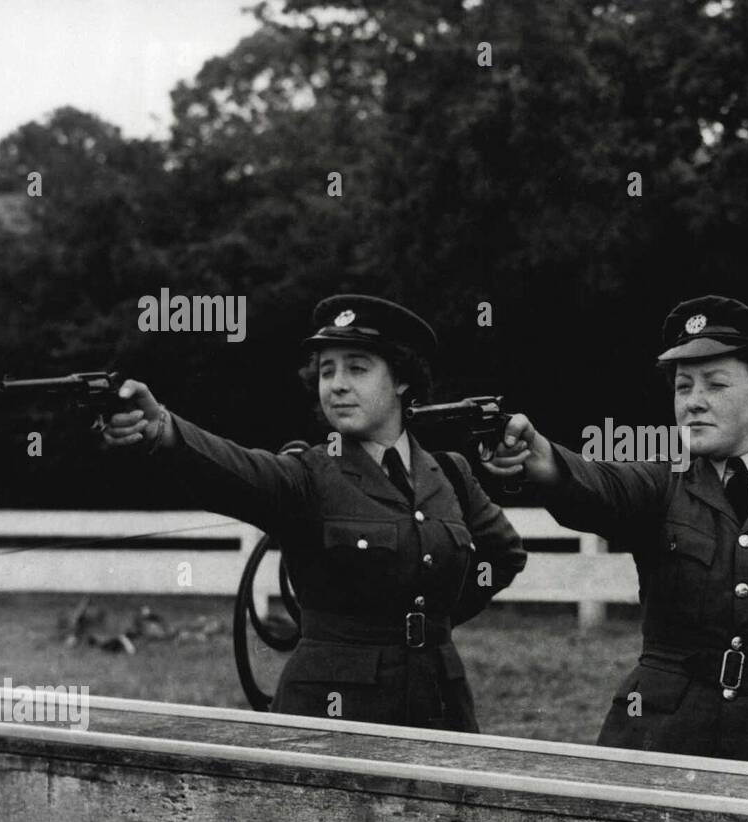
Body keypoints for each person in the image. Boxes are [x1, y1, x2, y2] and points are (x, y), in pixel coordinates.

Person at [101, 294, 527, 730]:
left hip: (442, 709)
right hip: (331, 717)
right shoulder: (308, 475)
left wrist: (431, 620)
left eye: (357, 368)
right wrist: (165, 430)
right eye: (327, 371)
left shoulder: (451, 475)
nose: (337, 384)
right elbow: (233, 470)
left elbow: (504, 554)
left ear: (401, 379)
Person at [486, 296, 748, 767]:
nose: (693, 401)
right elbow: (598, 484)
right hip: (658, 741)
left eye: (714, 385)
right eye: (683, 386)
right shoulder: (660, 482)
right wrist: (540, 457)